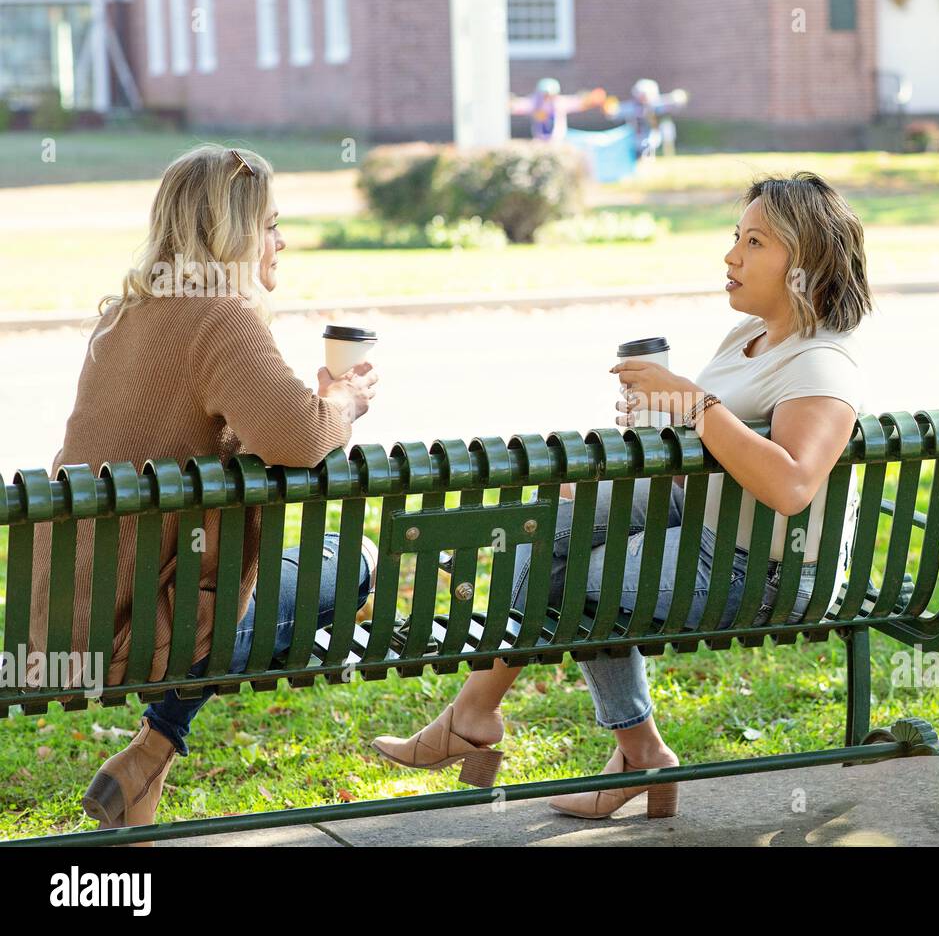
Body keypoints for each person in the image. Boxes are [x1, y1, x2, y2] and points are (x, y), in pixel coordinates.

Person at [372, 172, 871, 820]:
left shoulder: (821, 365)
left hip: (759, 571)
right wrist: (670, 423)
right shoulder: (749, 336)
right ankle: (534, 727)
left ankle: (607, 745)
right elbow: (716, 450)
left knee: (567, 571)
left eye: (755, 243)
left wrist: (694, 404)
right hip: (708, 526)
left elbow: (792, 485)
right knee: (550, 530)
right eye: (735, 237)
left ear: (805, 264)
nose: (731, 256)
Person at [24, 144, 380, 839]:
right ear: (235, 231)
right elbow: (305, 440)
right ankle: (152, 751)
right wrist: (344, 400)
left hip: (65, 621)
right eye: (271, 224)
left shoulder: (124, 316)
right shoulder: (221, 318)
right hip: (142, 631)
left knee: (227, 583)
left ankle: (144, 773)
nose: (282, 241)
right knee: (355, 563)